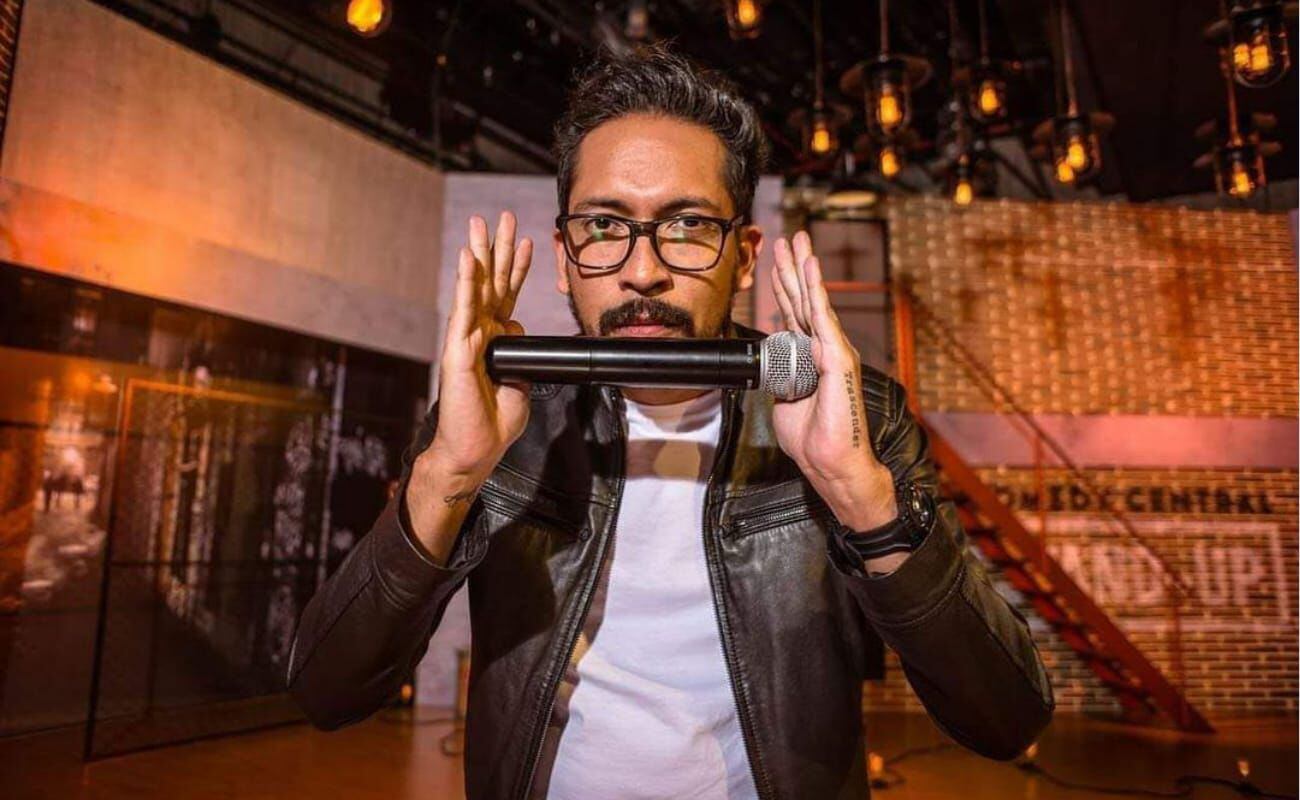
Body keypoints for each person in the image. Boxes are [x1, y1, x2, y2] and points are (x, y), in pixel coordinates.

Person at [287, 44, 1052, 800]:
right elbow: (328, 692)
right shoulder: (497, 417)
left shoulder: (857, 415)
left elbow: (1006, 719)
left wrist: (860, 495)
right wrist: (447, 474)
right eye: (604, 225)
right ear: (565, 257)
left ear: (743, 257)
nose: (643, 269)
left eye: (686, 224)